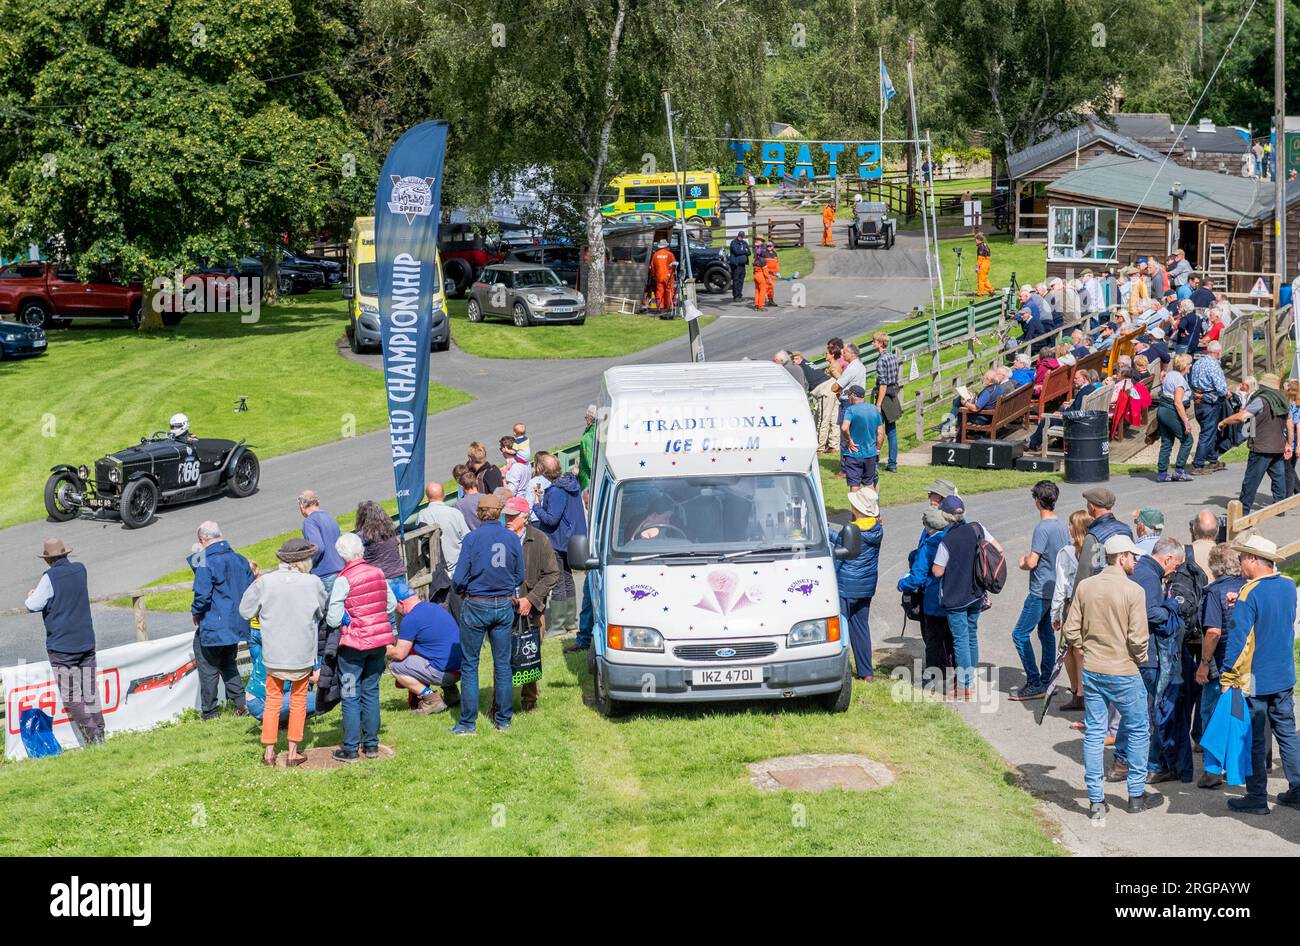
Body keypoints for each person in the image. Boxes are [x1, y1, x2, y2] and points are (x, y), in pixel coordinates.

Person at [1062, 534, 1162, 818]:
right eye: (1133, 556)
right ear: (1122, 557)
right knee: (1139, 730)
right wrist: (1138, 658)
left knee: (1094, 732)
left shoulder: (1086, 586)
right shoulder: (1134, 591)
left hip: (1093, 669)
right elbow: (1139, 638)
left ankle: (1095, 799)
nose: (1136, 560)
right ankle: (1136, 795)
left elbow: (1071, 631)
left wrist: (1085, 648)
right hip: (1125, 670)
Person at [1217, 535, 1300, 814]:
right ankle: (1297, 789)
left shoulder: (1248, 593)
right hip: (1284, 674)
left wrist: (1226, 676)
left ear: (1253, 559)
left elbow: (1238, 641)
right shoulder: (1288, 586)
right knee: (1287, 734)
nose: (1239, 562)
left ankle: (1256, 797)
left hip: (1255, 678)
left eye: (1242, 557)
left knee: (1254, 738)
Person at [238, 538, 328, 766]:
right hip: (301, 653)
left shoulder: (266, 582)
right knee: (298, 701)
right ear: (303, 560)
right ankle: (292, 752)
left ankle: (269, 752)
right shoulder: (312, 582)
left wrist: (266, 615)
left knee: (272, 701)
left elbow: (245, 609)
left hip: (274, 652)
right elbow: (322, 609)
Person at [450, 493, 525, 734]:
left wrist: (464, 590)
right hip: (503, 604)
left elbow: (459, 578)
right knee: (502, 663)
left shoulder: (472, 539)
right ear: (500, 512)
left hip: (477, 602)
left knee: (470, 664)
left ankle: (467, 723)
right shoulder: (511, 538)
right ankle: (503, 719)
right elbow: (520, 575)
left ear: (480, 513)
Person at [24, 538, 107, 745]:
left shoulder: (49, 577)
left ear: (47, 559)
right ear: (66, 554)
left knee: (71, 695)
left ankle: (93, 734)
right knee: (89, 690)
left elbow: (33, 605)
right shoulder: (80, 569)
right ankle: (100, 730)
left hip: (62, 646)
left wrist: (31, 595)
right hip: (86, 640)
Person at [326, 533, 397, 761]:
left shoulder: (343, 580)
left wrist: (350, 617)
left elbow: (333, 619)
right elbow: (391, 604)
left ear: (341, 555)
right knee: (371, 691)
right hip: (377, 642)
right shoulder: (378, 573)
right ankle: (372, 745)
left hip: (353, 645)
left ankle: (350, 747)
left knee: (349, 693)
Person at [1128, 536, 1191, 785]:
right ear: (1167, 559)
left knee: (1140, 710)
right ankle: (1154, 765)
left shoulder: (1139, 570)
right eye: (1176, 565)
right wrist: (1172, 606)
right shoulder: (1151, 577)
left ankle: (1126, 761)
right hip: (1151, 654)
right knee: (1158, 711)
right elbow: (1151, 613)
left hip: (1138, 653)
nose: (1176, 570)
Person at [932, 496, 1000, 700]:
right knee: (971, 636)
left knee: (960, 640)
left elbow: (937, 571)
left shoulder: (947, 540)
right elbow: (998, 548)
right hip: (976, 592)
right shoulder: (976, 528)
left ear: (945, 516)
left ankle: (964, 685)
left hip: (956, 597)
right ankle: (969, 679)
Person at [1009, 482, 1069, 701]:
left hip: (1040, 589)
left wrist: (1022, 562)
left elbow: (1033, 562)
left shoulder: (1042, 528)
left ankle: (1034, 681)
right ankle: (1047, 679)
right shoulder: (1061, 525)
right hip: (1056, 588)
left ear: (1037, 501)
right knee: (1046, 634)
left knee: (1019, 634)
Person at [189, 521, 252, 720]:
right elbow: (251, 591)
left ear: (202, 540)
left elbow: (202, 595)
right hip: (236, 624)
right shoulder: (240, 559)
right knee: (228, 662)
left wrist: (195, 612)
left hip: (214, 623)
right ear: (220, 535)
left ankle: (209, 712)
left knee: (208, 667)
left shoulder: (204, 560)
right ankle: (241, 703)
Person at [1194, 543, 1244, 788]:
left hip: (1221, 663)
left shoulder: (1214, 592)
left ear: (1214, 567)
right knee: (1238, 714)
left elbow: (1213, 632)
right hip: (1245, 664)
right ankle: (1237, 764)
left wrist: (1203, 663)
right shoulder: (1248, 587)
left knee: (1210, 713)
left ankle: (1212, 768)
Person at [504, 495, 559, 710]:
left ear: (525, 518)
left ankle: (529, 700)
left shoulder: (540, 539)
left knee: (530, 653)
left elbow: (552, 574)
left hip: (533, 610)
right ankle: (500, 702)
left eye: (513, 516)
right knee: (502, 656)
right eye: (506, 515)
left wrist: (531, 599)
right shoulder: (501, 539)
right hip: (505, 608)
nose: (508, 519)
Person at [899, 506, 955, 693]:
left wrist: (902, 584)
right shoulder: (951, 538)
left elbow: (917, 578)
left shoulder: (929, 546)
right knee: (952, 638)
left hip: (933, 602)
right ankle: (955, 673)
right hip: (953, 597)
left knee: (933, 640)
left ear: (928, 527)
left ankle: (933, 677)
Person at [531, 453, 586, 635]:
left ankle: (558, 625)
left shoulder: (555, 491)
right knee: (567, 578)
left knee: (558, 580)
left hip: (558, 540)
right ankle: (570, 623)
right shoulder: (571, 483)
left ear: (541, 470)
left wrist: (537, 506)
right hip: (572, 539)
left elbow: (551, 519)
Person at [1220, 372, 1289, 513]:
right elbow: (1289, 423)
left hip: (1261, 446)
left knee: (1251, 480)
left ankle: (1243, 510)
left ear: (1263, 386)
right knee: (1279, 478)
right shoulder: (1282, 400)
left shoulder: (1261, 400)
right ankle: (1280, 507)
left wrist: (1224, 421)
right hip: (1277, 445)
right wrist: (1288, 443)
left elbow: (1242, 417)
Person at [835, 488, 883, 680]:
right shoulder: (876, 529)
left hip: (846, 587)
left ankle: (840, 671)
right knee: (861, 627)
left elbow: (839, 551)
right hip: (866, 587)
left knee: (840, 629)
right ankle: (866, 672)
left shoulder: (851, 530)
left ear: (857, 507)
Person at [388, 592, 462, 715]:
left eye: (395, 608)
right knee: (433, 650)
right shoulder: (435, 607)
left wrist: (382, 648)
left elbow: (399, 654)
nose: (396, 612)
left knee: (395, 666)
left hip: (446, 673)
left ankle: (432, 699)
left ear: (401, 603)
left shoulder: (411, 618)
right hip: (461, 669)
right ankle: (452, 693)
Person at [1051, 509, 1095, 713]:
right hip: (1091, 603)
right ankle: (1082, 690)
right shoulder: (1096, 550)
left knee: (1071, 649)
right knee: (1079, 650)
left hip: (1073, 604)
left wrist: (1056, 613)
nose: (1067, 528)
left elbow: (1061, 586)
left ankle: (1079, 692)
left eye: (1070, 524)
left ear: (1076, 528)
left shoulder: (1066, 553)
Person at [353, 500, 406, 625]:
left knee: (388, 618)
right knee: (404, 611)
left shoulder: (364, 536)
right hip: (398, 575)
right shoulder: (389, 530)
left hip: (381, 580)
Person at [1189, 340, 1229, 474]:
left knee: (1209, 430)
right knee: (1208, 432)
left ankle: (1213, 460)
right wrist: (1227, 393)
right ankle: (1198, 464)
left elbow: (1192, 381)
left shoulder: (1198, 363)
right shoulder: (1214, 366)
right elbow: (1221, 389)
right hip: (1210, 401)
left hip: (1198, 400)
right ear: (1218, 352)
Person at [1154, 352, 1194, 482]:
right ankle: (1179, 470)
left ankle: (1162, 473)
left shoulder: (1170, 374)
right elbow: (1178, 402)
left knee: (1166, 441)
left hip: (1162, 409)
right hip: (1171, 411)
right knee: (1187, 440)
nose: (1190, 365)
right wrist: (1186, 421)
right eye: (1189, 363)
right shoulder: (1180, 380)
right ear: (1184, 365)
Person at [417, 481, 470, 579]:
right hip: (457, 568)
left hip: (435, 569)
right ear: (444, 495)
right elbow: (468, 538)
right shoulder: (455, 513)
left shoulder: (422, 515)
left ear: (427, 497)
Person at [298, 490, 344, 595]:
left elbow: (318, 548)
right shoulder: (329, 517)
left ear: (301, 505)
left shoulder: (309, 522)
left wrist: (307, 565)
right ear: (317, 502)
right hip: (340, 571)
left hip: (325, 574)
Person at [840, 385, 884, 491]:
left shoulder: (850, 410)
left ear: (853, 396)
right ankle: (872, 507)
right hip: (871, 454)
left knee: (855, 485)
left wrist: (849, 441)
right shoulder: (874, 409)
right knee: (869, 484)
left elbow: (844, 428)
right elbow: (881, 433)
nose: (848, 398)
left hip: (853, 454)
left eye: (849, 396)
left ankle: (856, 508)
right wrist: (877, 450)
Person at [870, 332, 901, 473]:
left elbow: (883, 384)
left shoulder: (881, 360)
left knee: (877, 430)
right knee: (892, 431)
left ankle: (874, 462)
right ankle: (892, 463)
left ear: (881, 343)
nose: (872, 344)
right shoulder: (892, 356)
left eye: (874, 341)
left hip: (884, 397)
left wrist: (878, 404)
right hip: (892, 394)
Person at [650, 239, 676, 312]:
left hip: (659, 276)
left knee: (659, 291)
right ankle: (669, 307)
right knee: (669, 291)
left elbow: (652, 267)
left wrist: (654, 275)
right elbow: (674, 265)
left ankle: (660, 307)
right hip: (668, 276)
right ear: (666, 246)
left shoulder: (655, 254)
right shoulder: (670, 254)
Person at [1284, 378, 1300, 496]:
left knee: (1288, 469)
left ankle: (1288, 497)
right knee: (1290, 468)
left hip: (1291, 441)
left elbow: (1298, 425)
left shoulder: (1293, 405)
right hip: (1292, 441)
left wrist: (1298, 445)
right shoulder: (1293, 404)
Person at [578, 404, 598, 491]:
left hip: (588, 481)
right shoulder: (603, 432)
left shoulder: (586, 438)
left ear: (590, 419)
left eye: (586, 417)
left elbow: (590, 463)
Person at [727, 230, 750, 301]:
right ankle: (736, 296)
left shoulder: (744, 242)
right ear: (738, 235)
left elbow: (749, 252)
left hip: (743, 265)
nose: (741, 237)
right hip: (736, 265)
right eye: (740, 236)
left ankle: (740, 294)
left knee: (741, 280)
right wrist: (744, 251)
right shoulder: (734, 242)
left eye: (742, 236)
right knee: (736, 280)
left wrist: (744, 251)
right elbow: (736, 251)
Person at [974, 232, 993, 296]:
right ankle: (991, 290)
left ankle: (980, 293)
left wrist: (977, 266)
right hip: (987, 263)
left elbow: (980, 258)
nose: (975, 241)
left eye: (976, 239)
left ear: (978, 239)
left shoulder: (980, 247)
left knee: (981, 279)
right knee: (985, 279)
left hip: (983, 264)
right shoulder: (985, 245)